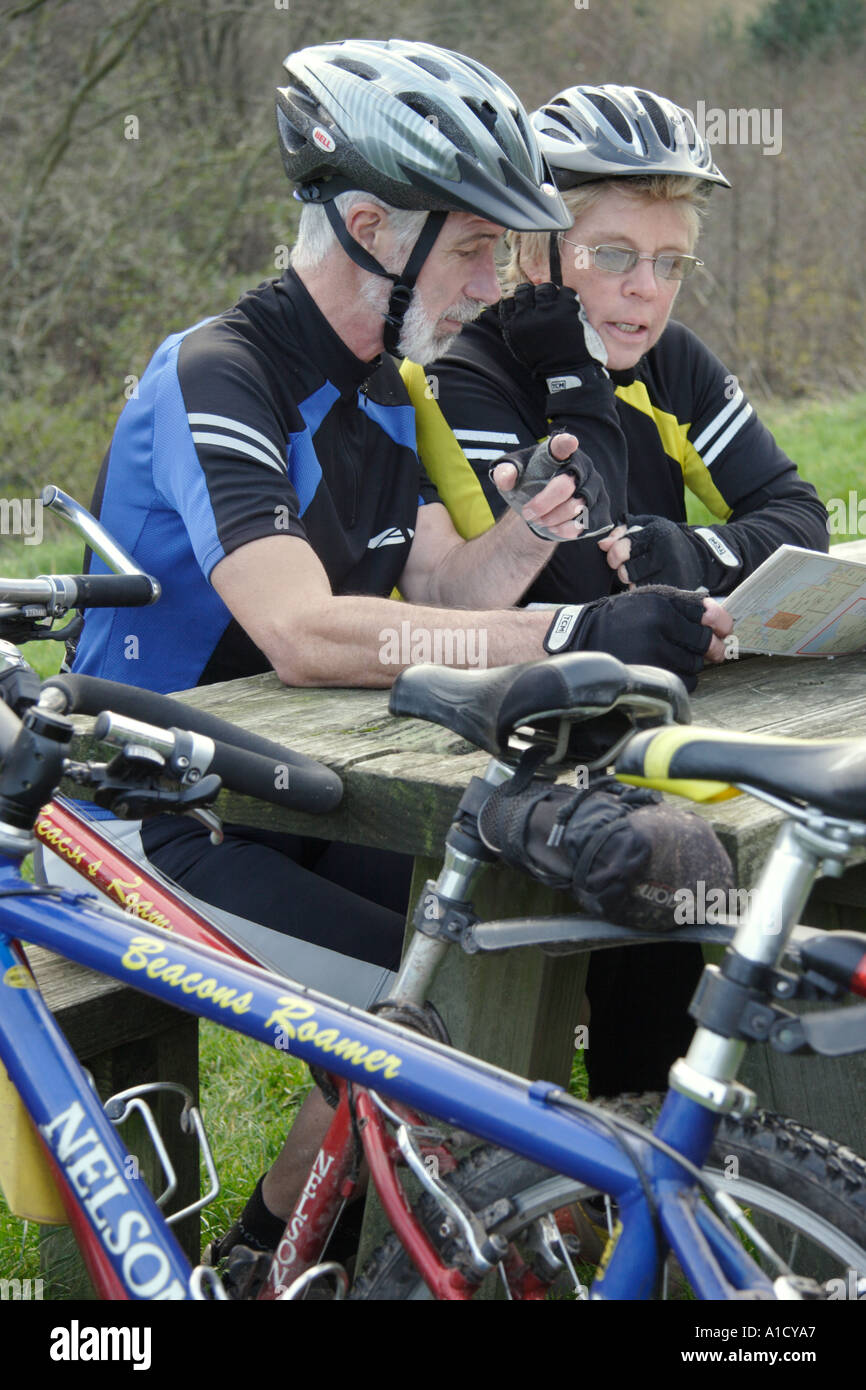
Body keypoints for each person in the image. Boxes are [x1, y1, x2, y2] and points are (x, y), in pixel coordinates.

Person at [71, 50, 733, 1281]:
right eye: (475, 248)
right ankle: (270, 1262)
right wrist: (572, 634)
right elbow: (305, 629)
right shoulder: (218, 372)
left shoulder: (381, 387)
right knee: (445, 1012)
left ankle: (274, 1254)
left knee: (527, 944)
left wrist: (532, 529)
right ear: (370, 228)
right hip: (147, 810)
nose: (493, 284)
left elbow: (432, 587)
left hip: (288, 783)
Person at [420, 82, 829, 1101]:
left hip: (665, 714)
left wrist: (688, 554)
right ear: (531, 249)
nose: (643, 291)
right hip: (495, 738)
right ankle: (612, 1185)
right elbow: (560, 570)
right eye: (609, 255)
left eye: (668, 264)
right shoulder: (466, 374)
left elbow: (794, 512)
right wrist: (571, 372)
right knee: (651, 898)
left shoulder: (672, 362)